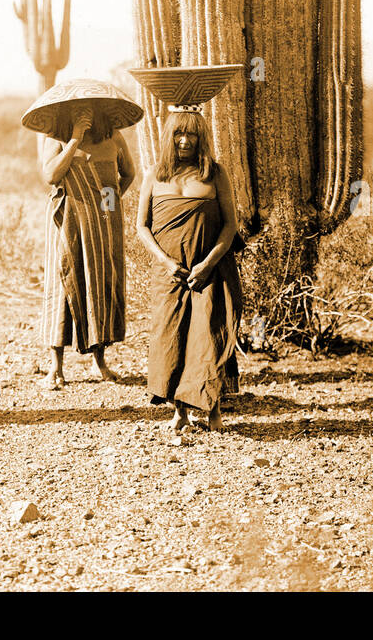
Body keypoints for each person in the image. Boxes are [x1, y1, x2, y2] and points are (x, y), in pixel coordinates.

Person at [136, 108, 242, 434]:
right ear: (168, 137)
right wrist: (167, 263)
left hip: (210, 268)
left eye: (192, 134)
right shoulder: (155, 175)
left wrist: (208, 263)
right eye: (178, 134)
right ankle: (179, 412)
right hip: (170, 273)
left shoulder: (215, 173)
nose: (185, 140)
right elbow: (141, 227)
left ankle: (213, 412)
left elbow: (230, 225)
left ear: (201, 138)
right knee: (172, 337)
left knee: (208, 337)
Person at [37, 102, 136, 389]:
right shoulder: (55, 139)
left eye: (89, 109)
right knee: (62, 283)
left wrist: (109, 201)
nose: (85, 113)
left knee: (99, 283)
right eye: (78, 110)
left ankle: (99, 362)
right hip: (65, 219)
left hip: (103, 221)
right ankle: (56, 368)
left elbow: (128, 173)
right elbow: (51, 176)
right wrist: (75, 140)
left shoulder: (113, 137)